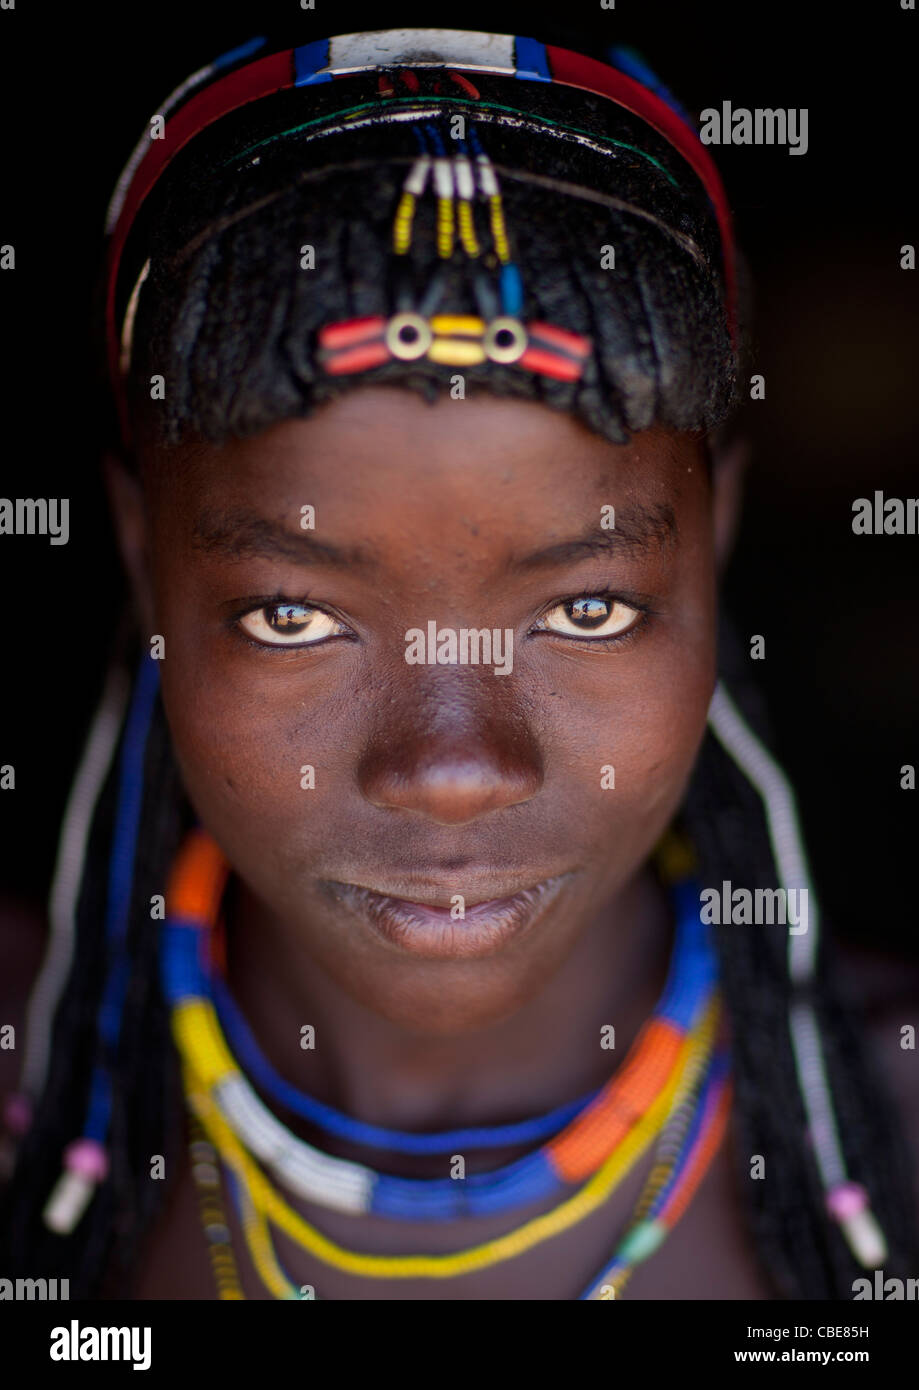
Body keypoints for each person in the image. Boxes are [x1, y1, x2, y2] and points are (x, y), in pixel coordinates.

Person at [1, 26, 916, 1302]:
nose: (451, 769)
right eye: (293, 617)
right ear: (142, 558)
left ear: (714, 547)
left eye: (587, 608)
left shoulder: (894, 1147)